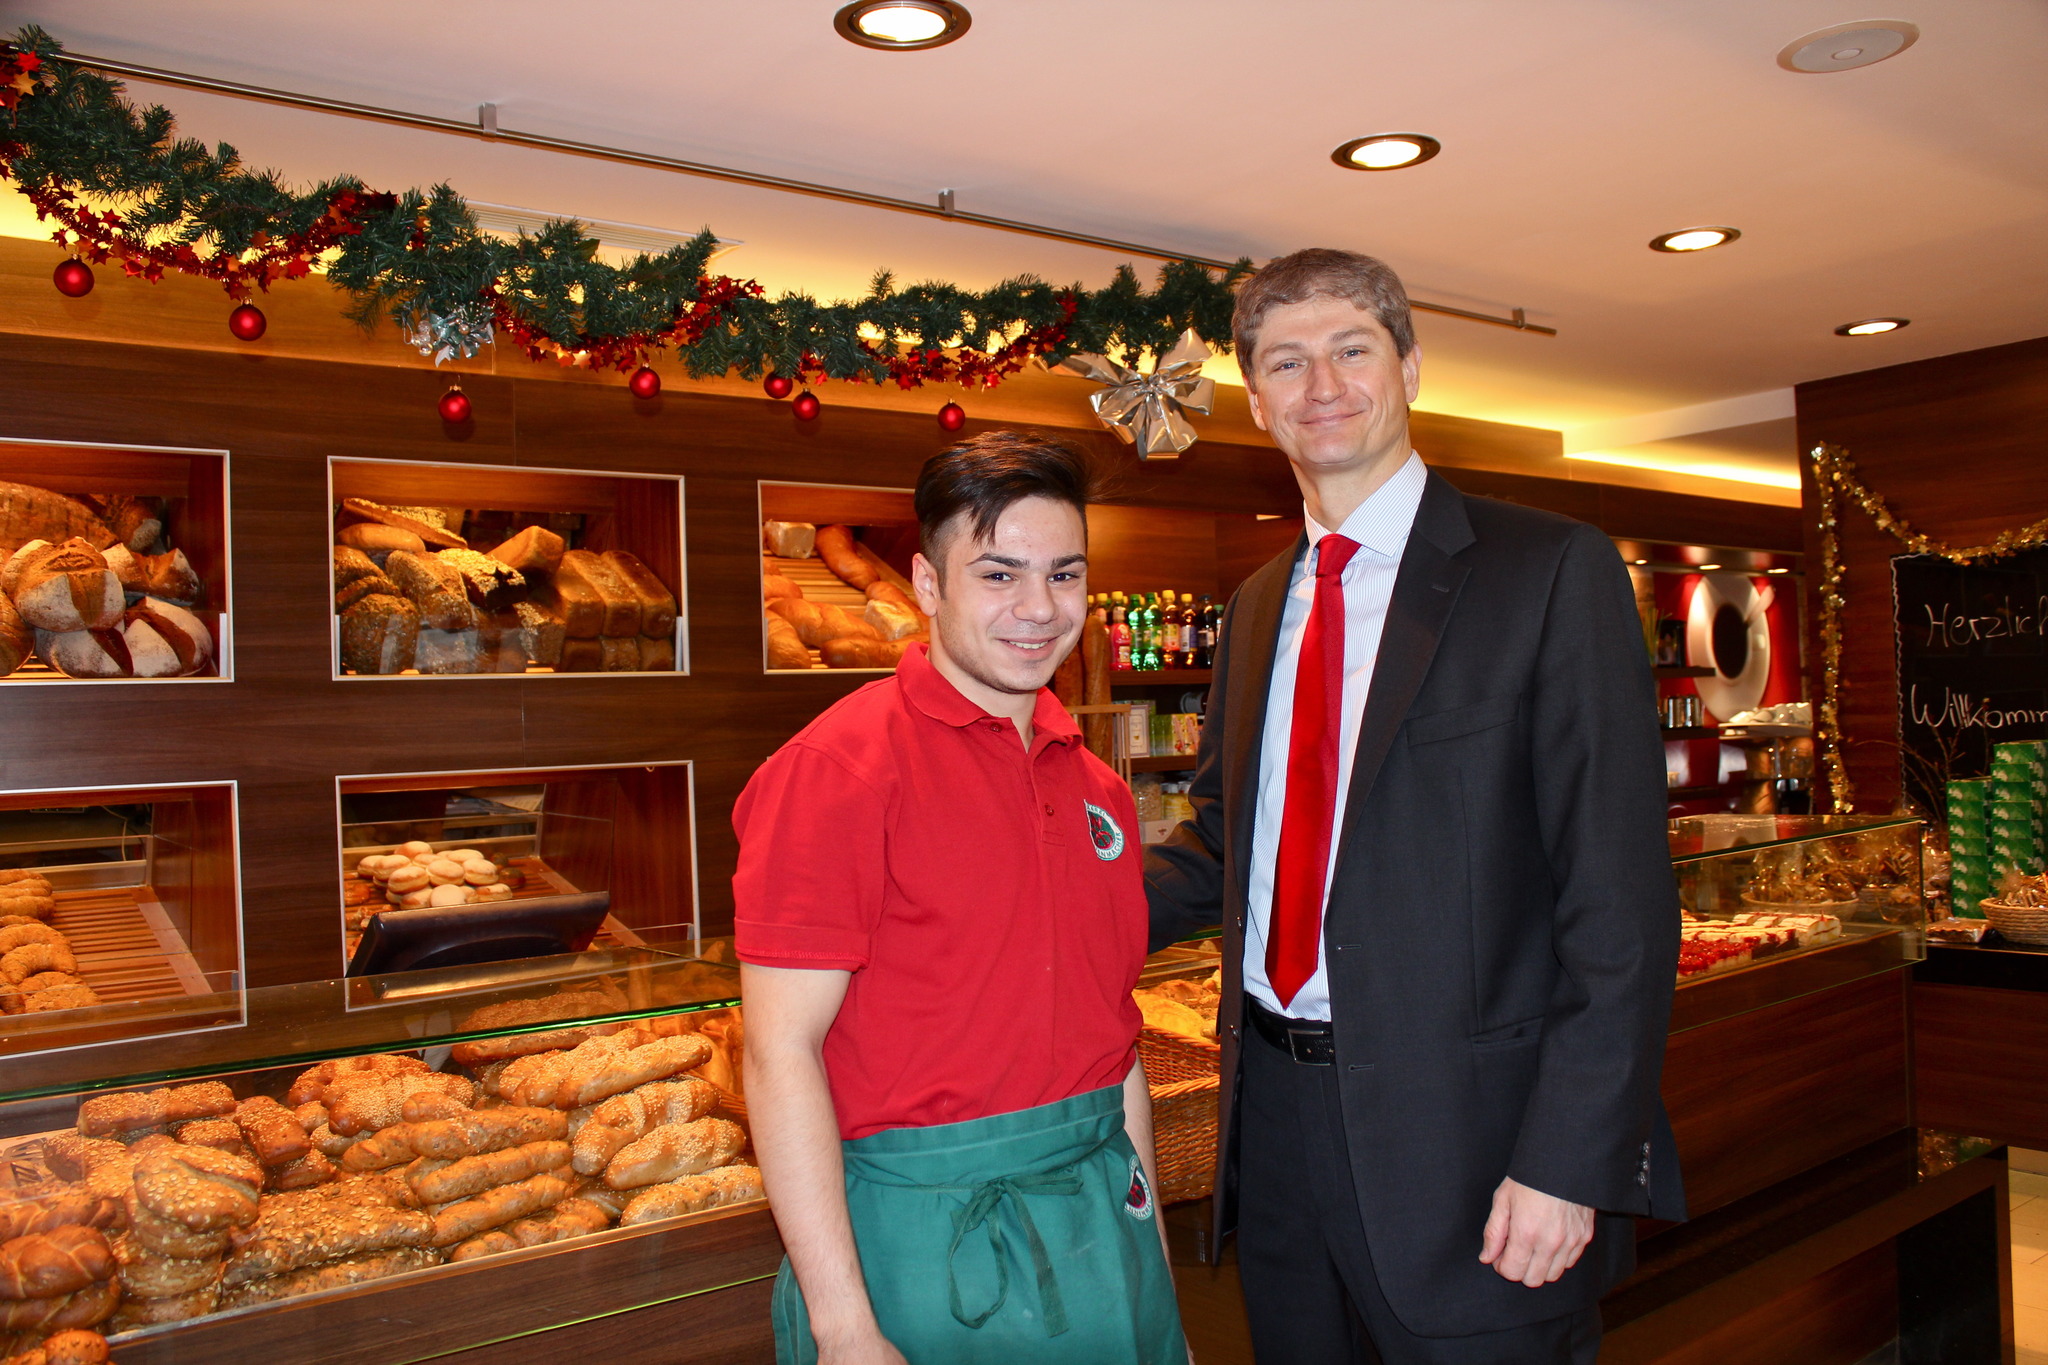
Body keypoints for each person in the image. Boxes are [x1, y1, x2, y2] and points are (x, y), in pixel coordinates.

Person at [1145, 248, 1685, 1364]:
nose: (1321, 385)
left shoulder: (1549, 572)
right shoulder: (1252, 610)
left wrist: (1566, 1161)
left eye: (1351, 349)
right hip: (1277, 1139)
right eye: (1285, 363)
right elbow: (1220, 844)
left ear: (1410, 366)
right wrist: (1036, 886)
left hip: (1479, 1150)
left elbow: (1618, 905)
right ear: (1257, 402)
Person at [735, 431, 1187, 1365]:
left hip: (1105, 1226)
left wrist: (1164, 1300)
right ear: (928, 585)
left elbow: (1119, 1048)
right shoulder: (836, 772)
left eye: (1065, 575)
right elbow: (779, 1051)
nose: (1038, 609)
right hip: (922, 1247)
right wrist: (845, 1327)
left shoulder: (1098, 788)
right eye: (998, 574)